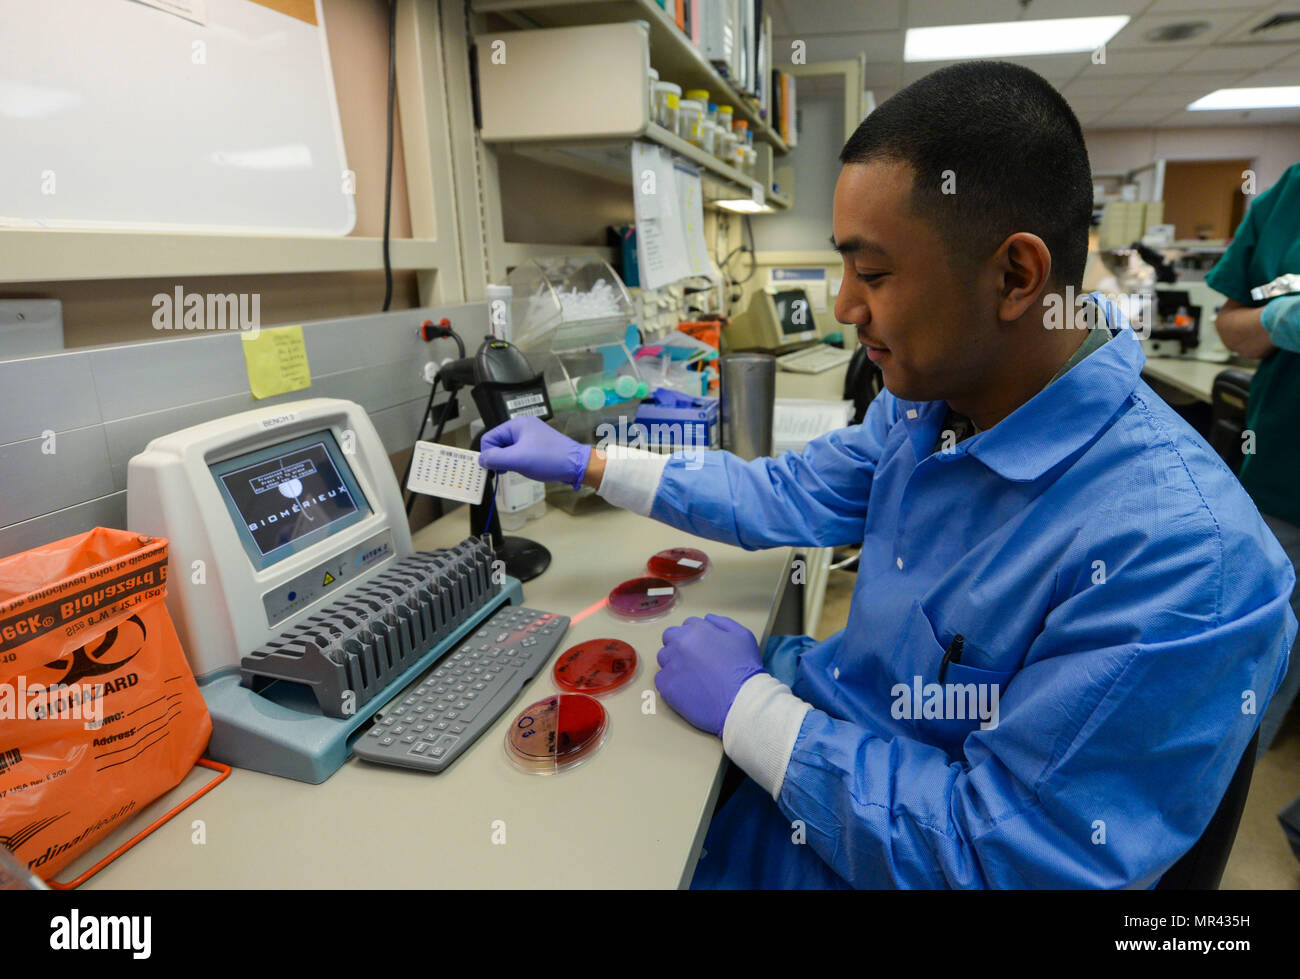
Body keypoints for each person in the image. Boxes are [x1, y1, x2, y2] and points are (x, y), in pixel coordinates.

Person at [479, 62, 1297, 888]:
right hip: (827, 760)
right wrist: (592, 462)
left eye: (872, 275)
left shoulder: (1183, 558)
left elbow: (996, 858)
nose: (843, 306)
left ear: (1016, 277)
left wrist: (754, 711)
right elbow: (788, 492)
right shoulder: (934, 406)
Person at [1207, 162, 1300, 751]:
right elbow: (1231, 327)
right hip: (1283, 467)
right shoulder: (1285, 199)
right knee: (1260, 650)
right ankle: (1231, 772)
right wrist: (1276, 317)